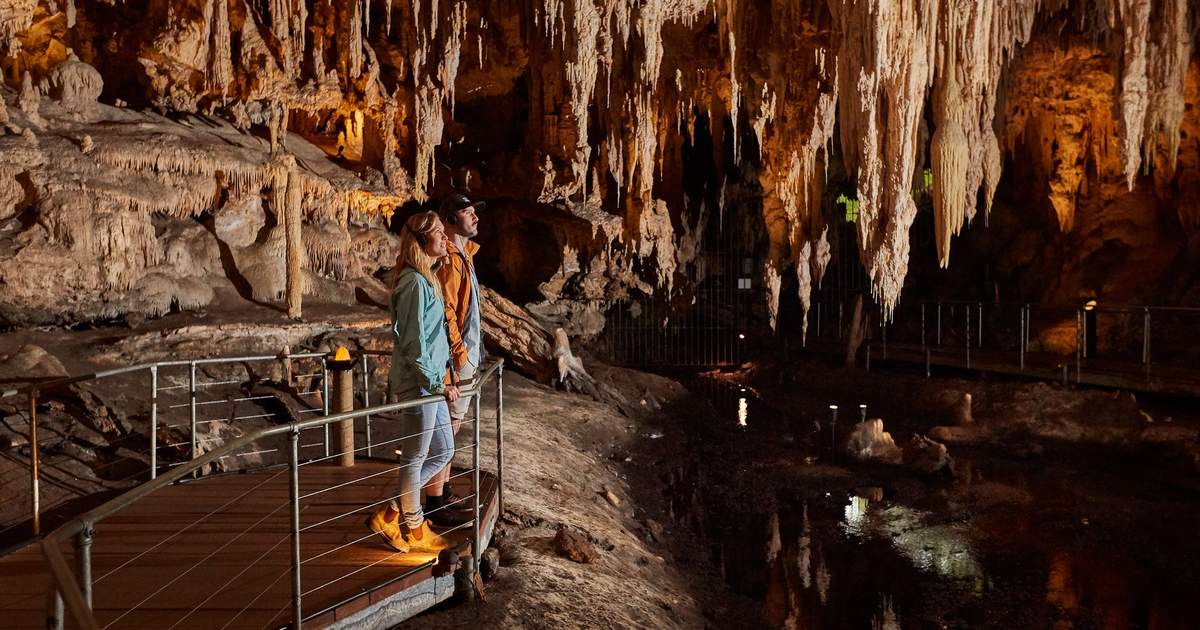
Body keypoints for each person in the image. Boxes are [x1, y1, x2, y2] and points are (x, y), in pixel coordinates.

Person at [366, 211, 458, 553]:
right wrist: (437, 381)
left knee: (444, 450)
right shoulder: (413, 283)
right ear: (421, 241)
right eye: (438, 233)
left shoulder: (427, 279)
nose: (445, 238)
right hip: (420, 383)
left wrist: (443, 377)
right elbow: (415, 343)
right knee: (416, 456)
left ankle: (391, 513)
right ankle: (414, 528)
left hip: (431, 381)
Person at [423, 194, 485, 526]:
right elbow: (446, 309)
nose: (475, 216)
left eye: (474, 211)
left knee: (453, 425)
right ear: (450, 218)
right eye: (467, 211)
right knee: (448, 424)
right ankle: (434, 501)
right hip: (457, 356)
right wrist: (459, 354)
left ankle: (442, 492)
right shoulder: (449, 261)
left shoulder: (465, 256)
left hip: (468, 353)